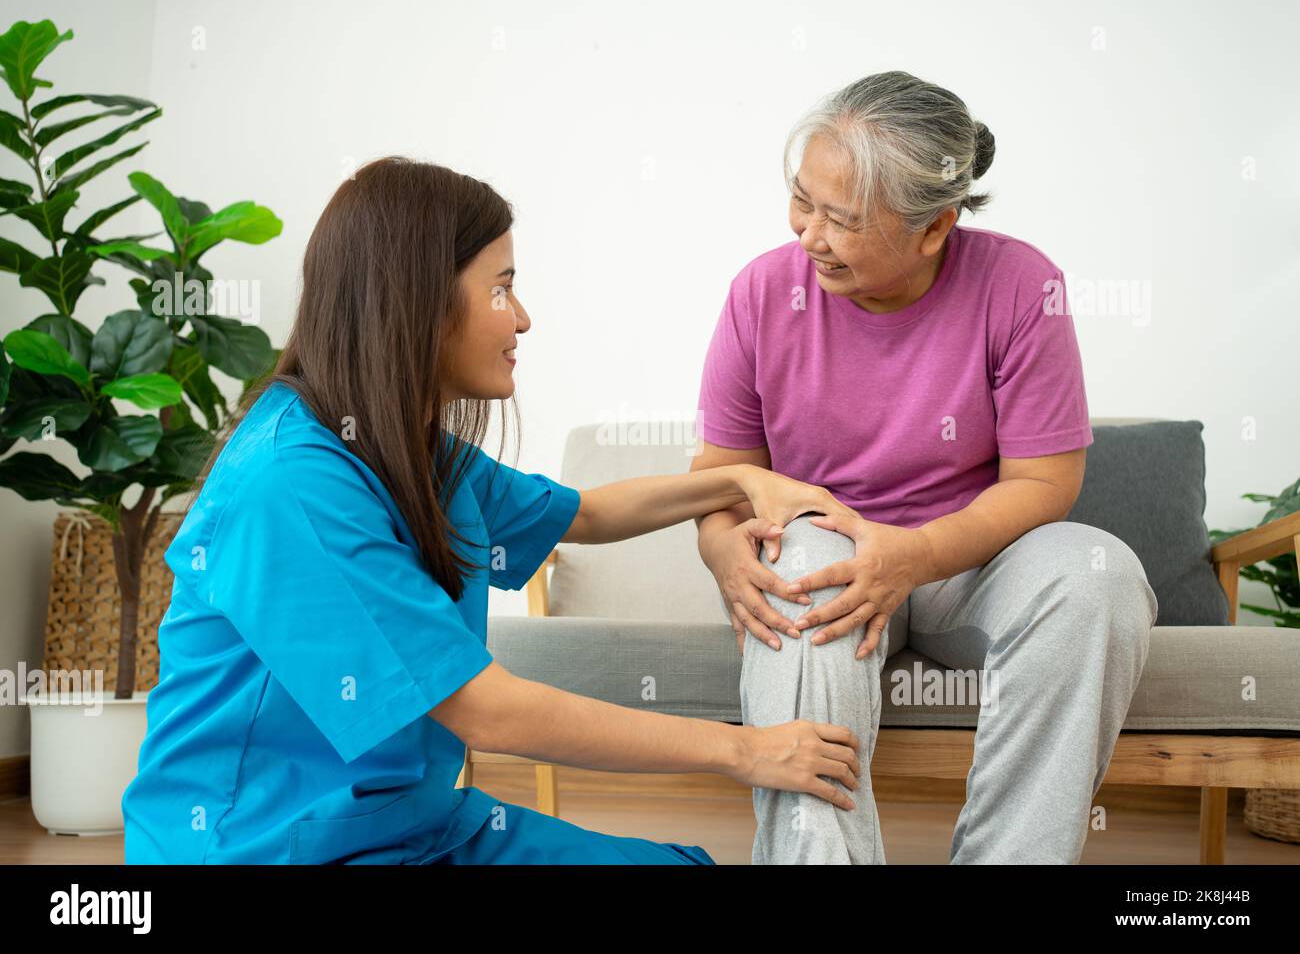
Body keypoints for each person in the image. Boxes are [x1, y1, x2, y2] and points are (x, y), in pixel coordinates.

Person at [122, 157, 865, 865]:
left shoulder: (405, 448)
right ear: (416, 299)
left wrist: (740, 483)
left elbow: (589, 515)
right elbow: (489, 712)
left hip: (412, 827)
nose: (525, 319)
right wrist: (746, 750)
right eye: (502, 289)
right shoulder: (292, 484)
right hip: (265, 844)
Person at [692, 71, 1158, 864]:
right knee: (802, 562)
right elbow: (723, 475)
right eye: (802, 199)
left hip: (967, 565)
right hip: (826, 557)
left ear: (934, 227)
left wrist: (915, 554)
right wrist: (718, 549)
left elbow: (1046, 483)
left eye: (840, 220)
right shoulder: (763, 293)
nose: (808, 234)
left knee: (1098, 572)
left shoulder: (1019, 286)